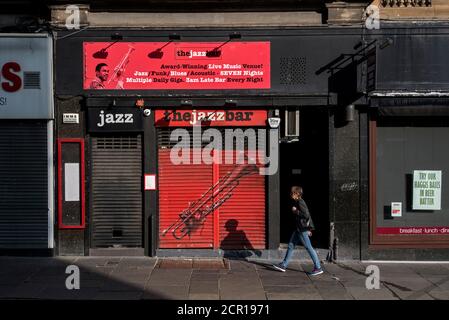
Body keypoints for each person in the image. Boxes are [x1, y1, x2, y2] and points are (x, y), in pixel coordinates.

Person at [273, 186, 323, 276]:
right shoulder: (298, 202)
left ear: (297, 194)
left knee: (309, 247)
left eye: (293, 193)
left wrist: (296, 211)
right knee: (291, 246)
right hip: (298, 229)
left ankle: (318, 267)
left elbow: (306, 215)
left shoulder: (300, 202)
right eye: (291, 193)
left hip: (302, 229)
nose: (291, 194)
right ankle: (283, 265)